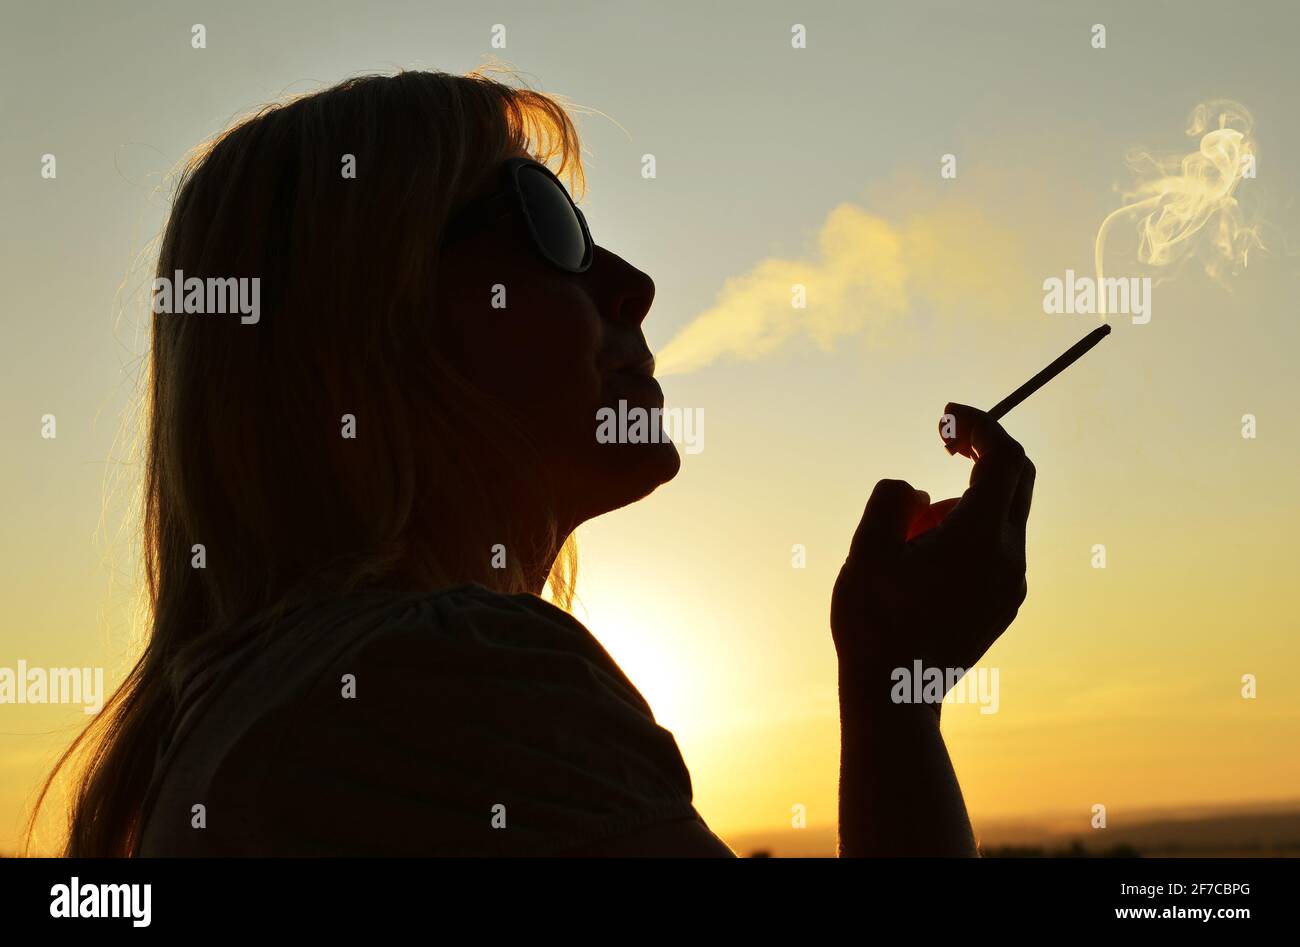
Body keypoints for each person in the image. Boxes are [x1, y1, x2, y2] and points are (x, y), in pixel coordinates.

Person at [31, 69, 1033, 857]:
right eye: (545, 222)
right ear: (379, 314)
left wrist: (889, 673)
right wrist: (898, 700)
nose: (632, 286)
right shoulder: (449, 673)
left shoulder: (241, 706)